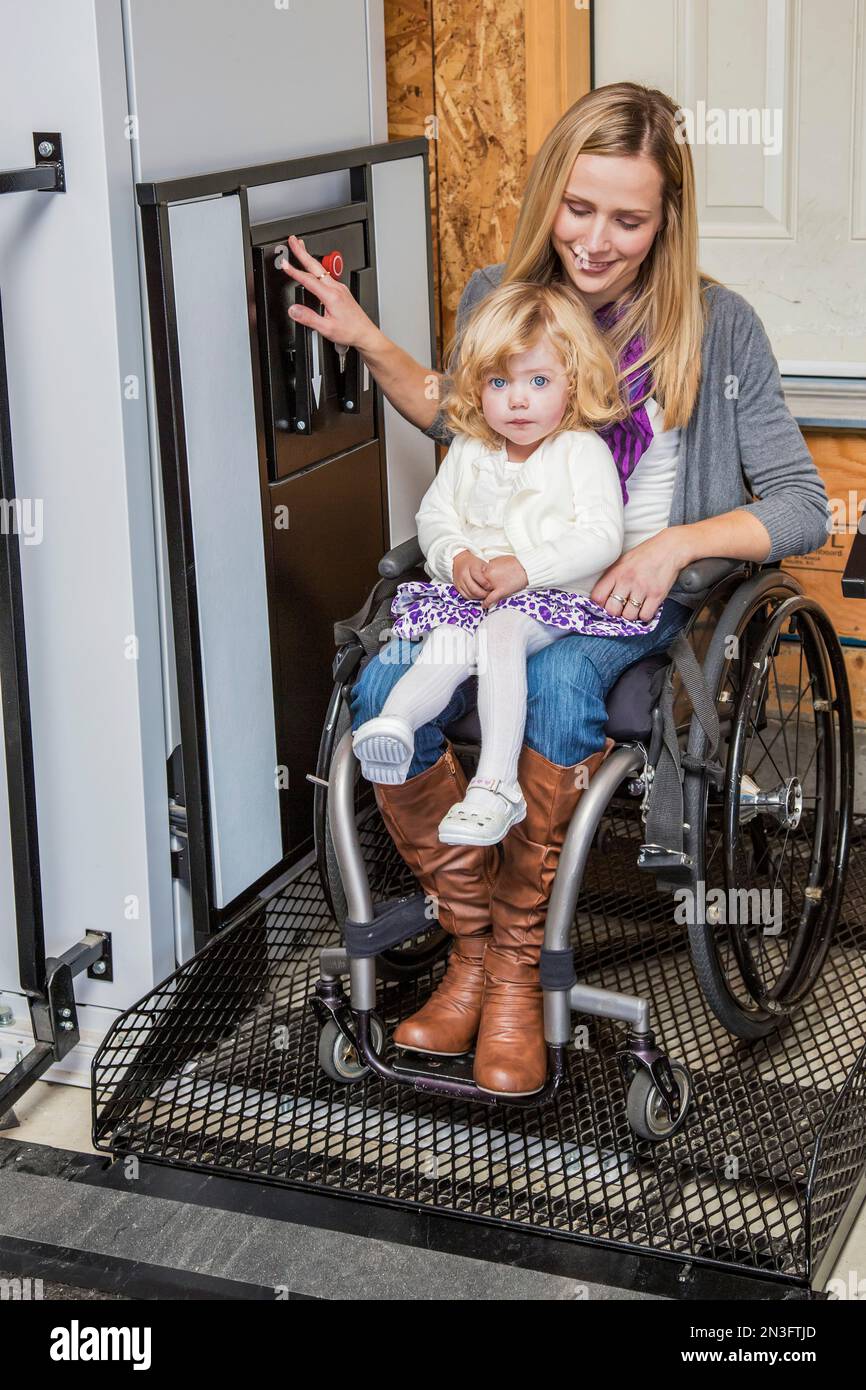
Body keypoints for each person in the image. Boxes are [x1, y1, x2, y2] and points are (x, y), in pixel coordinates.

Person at [280, 82, 831, 1099]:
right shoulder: (501, 290)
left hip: (621, 604)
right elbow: (468, 426)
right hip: (501, 584)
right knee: (379, 688)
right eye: (578, 208)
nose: (595, 239)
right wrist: (363, 337)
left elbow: (801, 506)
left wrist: (668, 547)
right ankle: (477, 952)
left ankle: (511, 971)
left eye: (627, 218)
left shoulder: (716, 326)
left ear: (667, 216)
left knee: (562, 686)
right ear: (549, 196)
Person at [352, 280, 663, 851]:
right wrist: (457, 556)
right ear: (477, 387)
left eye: (538, 381)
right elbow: (435, 516)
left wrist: (527, 568)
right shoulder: (472, 448)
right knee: (444, 645)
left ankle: (496, 785)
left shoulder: (579, 451)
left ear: (574, 384)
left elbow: (600, 536)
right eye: (500, 382)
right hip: (478, 594)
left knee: (500, 632)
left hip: (554, 599)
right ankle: (394, 726)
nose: (518, 400)